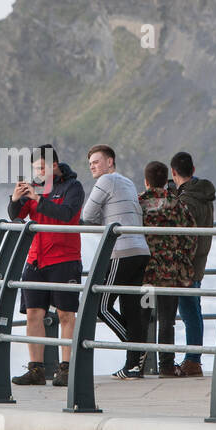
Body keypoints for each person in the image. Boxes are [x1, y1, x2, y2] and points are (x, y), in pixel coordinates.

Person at [7, 145, 84, 387]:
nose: (38, 173)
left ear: (54, 165)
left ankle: (66, 369)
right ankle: (36, 370)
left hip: (65, 259)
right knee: (33, 314)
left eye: (41, 167)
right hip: (35, 259)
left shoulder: (73, 186)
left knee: (65, 315)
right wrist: (16, 199)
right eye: (35, 169)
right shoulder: (35, 188)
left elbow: (66, 214)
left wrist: (38, 199)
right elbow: (15, 217)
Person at [80, 144, 152, 379]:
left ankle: (136, 348)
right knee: (130, 309)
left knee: (100, 305)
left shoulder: (105, 181)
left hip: (121, 251)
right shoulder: (128, 182)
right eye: (90, 163)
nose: (93, 166)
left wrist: (104, 220)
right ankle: (133, 367)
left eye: (97, 162)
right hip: (141, 250)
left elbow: (87, 216)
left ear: (110, 162)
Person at [139, 161, 197, 378]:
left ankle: (139, 364)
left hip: (145, 272)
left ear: (146, 181)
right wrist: (182, 259)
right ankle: (165, 366)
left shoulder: (139, 203)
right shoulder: (176, 204)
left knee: (142, 318)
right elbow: (191, 236)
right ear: (166, 181)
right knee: (166, 320)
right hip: (170, 273)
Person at [170, 151, 216, 377]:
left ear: (174, 172)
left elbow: (181, 236)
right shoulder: (204, 195)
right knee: (194, 309)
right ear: (194, 170)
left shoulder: (186, 201)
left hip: (186, 263)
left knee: (188, 311)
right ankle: (193, 358)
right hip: (200, 258)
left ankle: (192, 361)